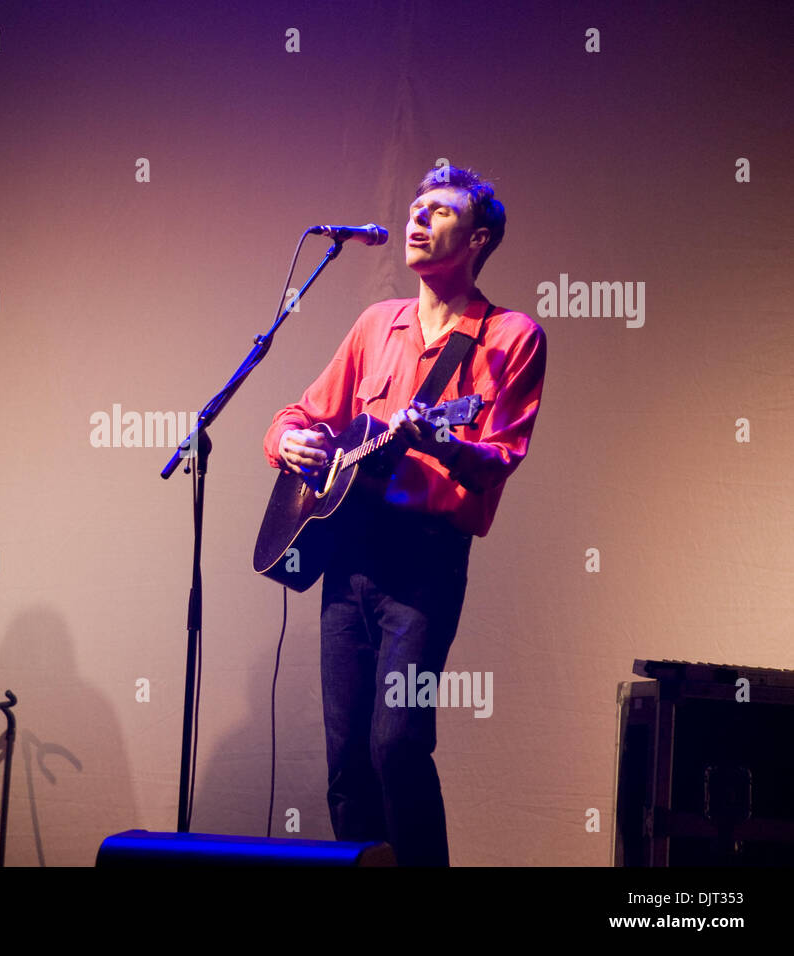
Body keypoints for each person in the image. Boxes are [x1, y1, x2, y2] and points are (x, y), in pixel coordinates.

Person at [263, 166, 545, 865]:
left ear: (477, 238)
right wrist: (284, 440)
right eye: (414, 208)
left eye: (438, 211)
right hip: (349, 556)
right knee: (346, 762)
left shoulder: (511, 337)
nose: (417, 219)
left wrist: (441, 437)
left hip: (424, 564)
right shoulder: (373, 325)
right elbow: (302, 413)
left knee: (397, 742)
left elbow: (501, 454)